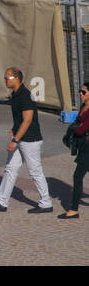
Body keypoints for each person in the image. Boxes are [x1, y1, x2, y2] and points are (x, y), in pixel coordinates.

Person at [0, 67, 52, 213]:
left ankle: (46, 203)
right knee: (10, 169)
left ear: (16, 78)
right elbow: (20, 120)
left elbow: (27, 121)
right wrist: (14, 131)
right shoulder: (16, 94)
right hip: (20, 137)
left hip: (30, 140)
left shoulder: (25, 96)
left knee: (35, 172)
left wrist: (15, 140)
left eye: (7, 78)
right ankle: (1, 202)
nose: (5, 80)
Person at [59, 82, 89, 219]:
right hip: (84, 146)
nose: (80, 94)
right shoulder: (84, 106)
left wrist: (73, 129)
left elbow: (81, 128)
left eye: (83, 92)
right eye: (80, 91)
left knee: (77, 176)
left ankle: (73, 209)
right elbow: (78, 123)